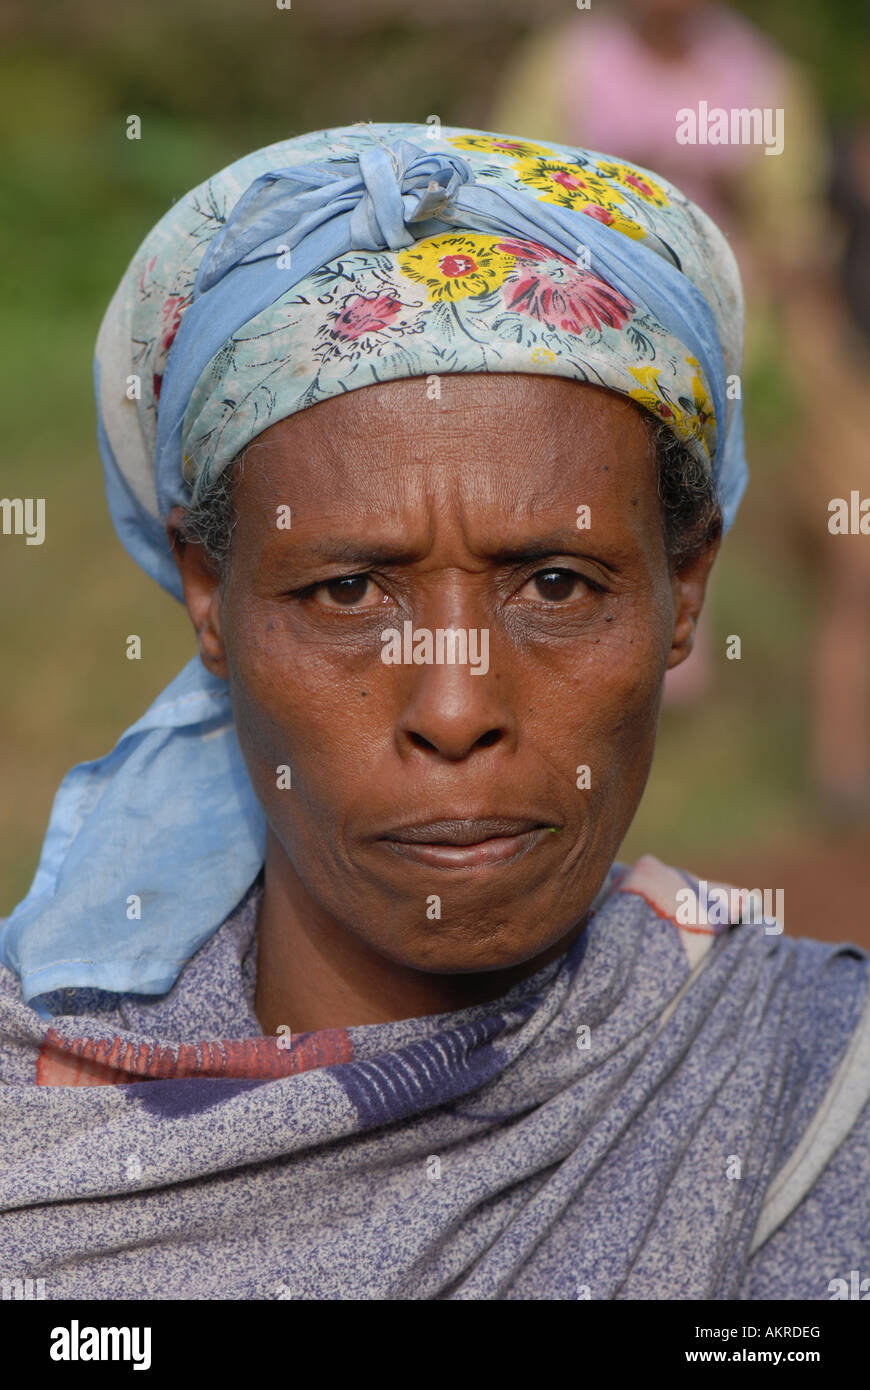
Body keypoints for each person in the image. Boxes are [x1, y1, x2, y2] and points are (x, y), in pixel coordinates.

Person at [0, 123, 868, 1301]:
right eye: (348, 591)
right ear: (212, 595)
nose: (456, 707)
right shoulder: (38, 1149)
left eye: (556, 584)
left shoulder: (816, 1095)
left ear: (685, 587)